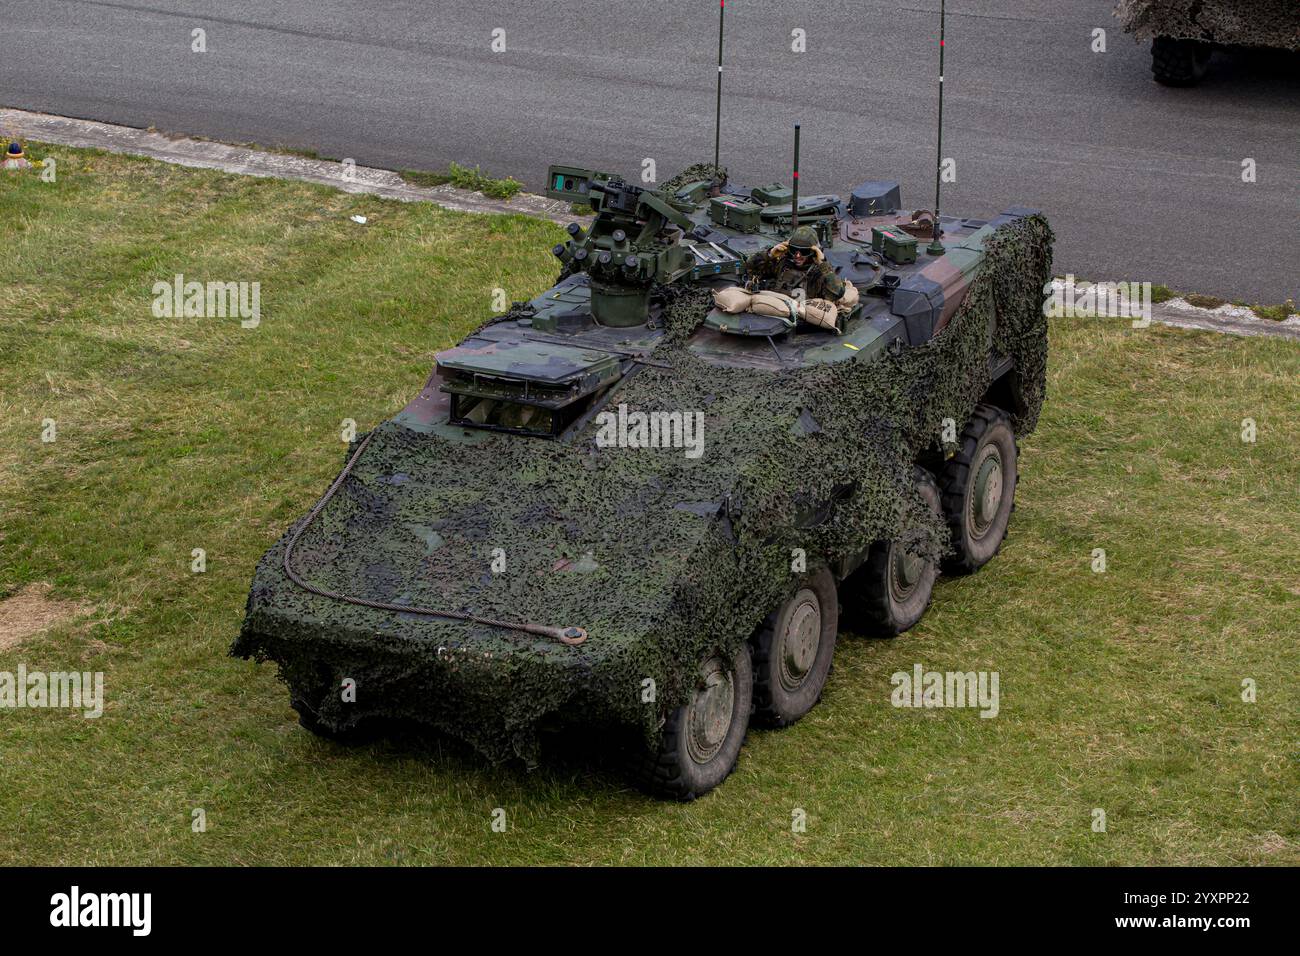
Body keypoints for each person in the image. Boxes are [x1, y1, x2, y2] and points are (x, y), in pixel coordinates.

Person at [713, 226, 857, 333]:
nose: (798, 256)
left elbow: (837, 292)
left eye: (804, 252)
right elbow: (751, 267)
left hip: (798, 323)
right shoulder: (783, 263)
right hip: (769, 313)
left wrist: (823, 264)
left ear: (814, 252)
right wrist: (769, 255)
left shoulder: (819, 272)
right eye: (794, 250)